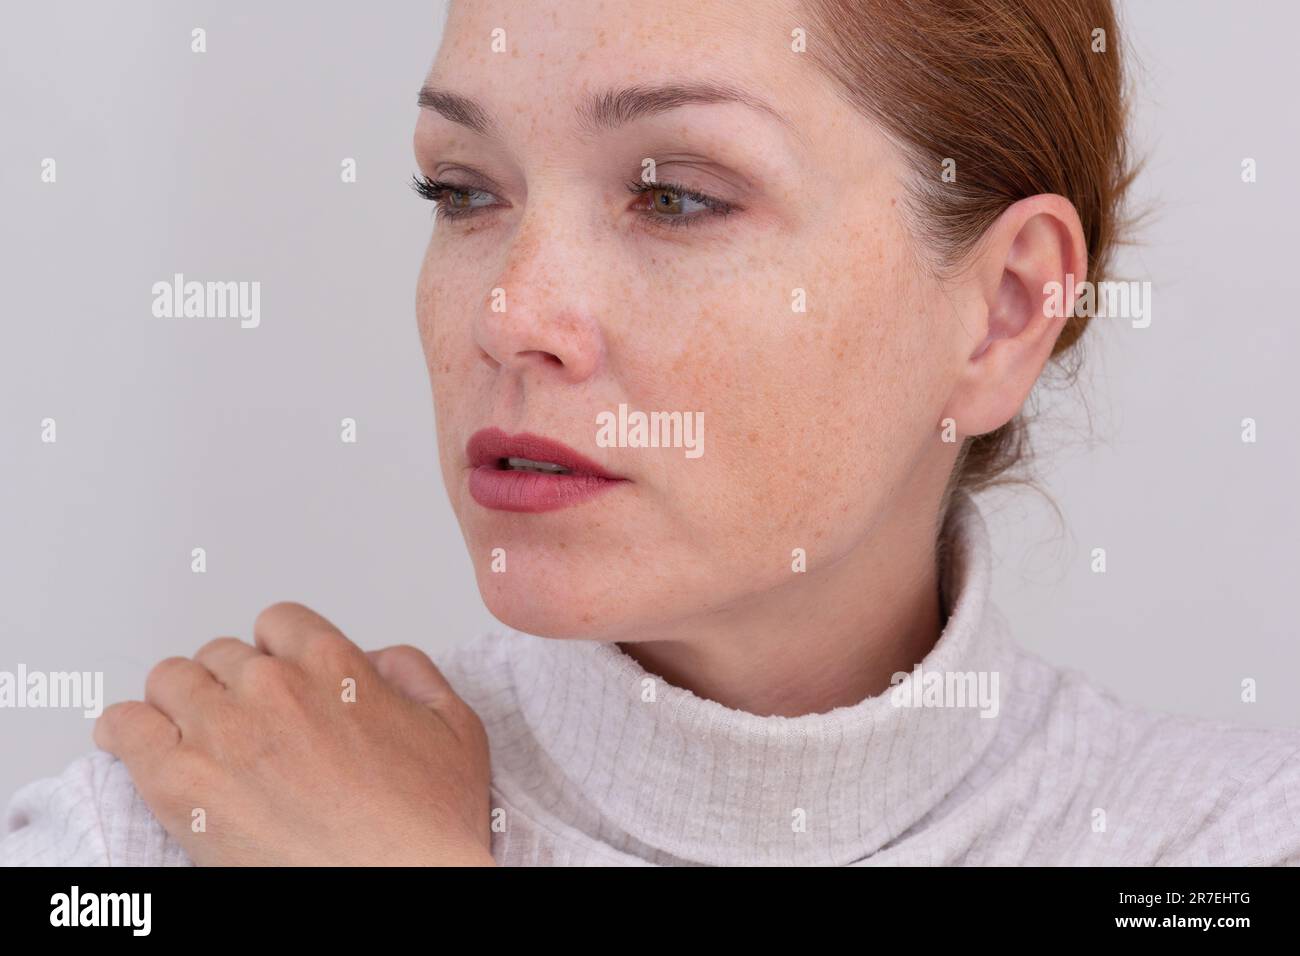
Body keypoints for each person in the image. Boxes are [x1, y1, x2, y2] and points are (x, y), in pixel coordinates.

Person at [4, 0, 1298, 867]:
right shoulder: (190, 825)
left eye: (675, 196)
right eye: (462, 191)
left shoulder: (1218, 851)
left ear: (1003, 313)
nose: (509, 315)